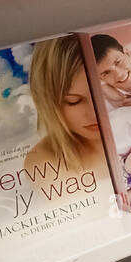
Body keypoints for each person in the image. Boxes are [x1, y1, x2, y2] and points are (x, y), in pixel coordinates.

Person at [23, 36, 105, 180]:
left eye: (104, 95)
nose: (93, 114)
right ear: (48, 102)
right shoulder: (44, 161)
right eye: (74, 101)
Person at [89, 34, 131, 108]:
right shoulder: (103, 106)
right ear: (100, 78)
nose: (119, 75)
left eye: (118, 62)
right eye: (106, 73)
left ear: (127, 54)